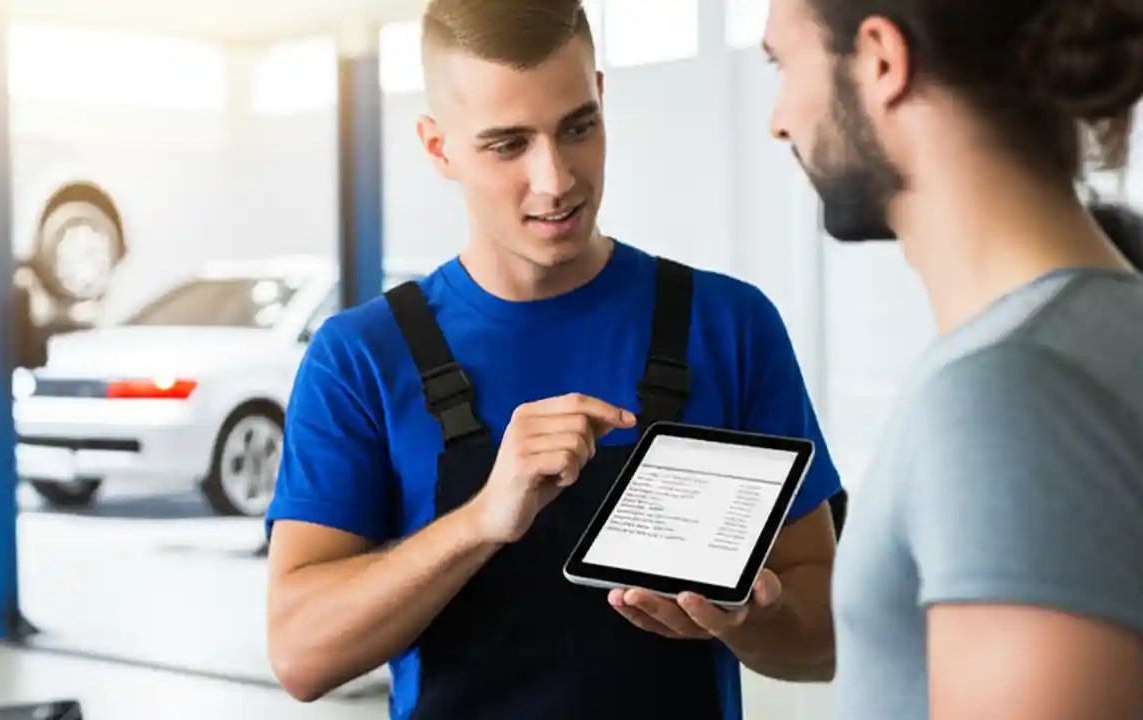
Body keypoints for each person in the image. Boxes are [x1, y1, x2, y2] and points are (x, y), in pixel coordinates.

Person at [264, 1, 843, 718]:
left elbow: (825, 641)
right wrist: (482, 520)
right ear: (439, 148)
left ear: (601, 96)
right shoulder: (360, 358)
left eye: (577, 127)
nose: (556, 179)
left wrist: (747, 621)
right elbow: (301, 655)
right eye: (508, 145)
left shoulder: (729, 326)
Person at [762, 0, 1143, 717]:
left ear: (881, 60)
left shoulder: (1009, 398)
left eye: (783, 64)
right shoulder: (1094, 331)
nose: (778, 120)